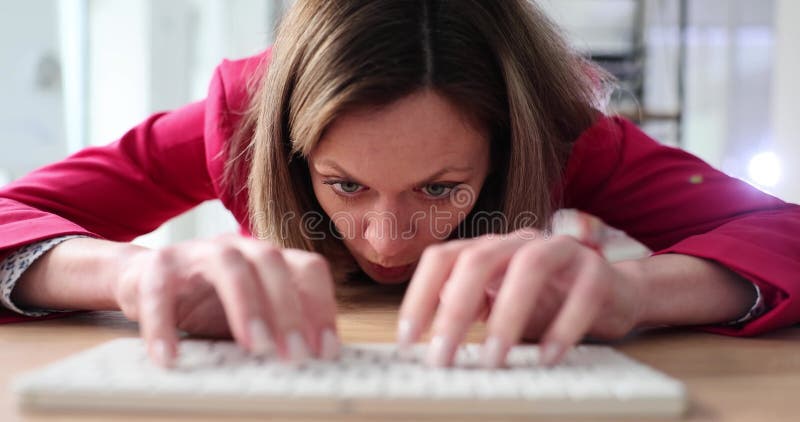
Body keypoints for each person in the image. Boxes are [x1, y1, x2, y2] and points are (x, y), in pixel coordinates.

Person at [1, 0, 798, 370]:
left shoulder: (559, 133)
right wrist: (130, 274)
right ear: (292, 143)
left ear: (506, 143)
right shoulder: (240, 113)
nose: (387, 241)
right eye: (345, 186)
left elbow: (783, 232)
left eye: (440, 188)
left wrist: (636, 295)